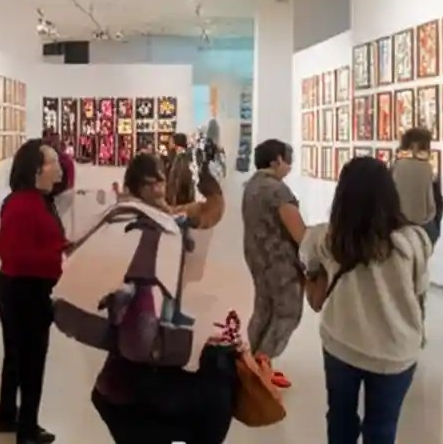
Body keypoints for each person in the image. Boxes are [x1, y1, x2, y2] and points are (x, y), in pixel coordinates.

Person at [90, 153, 234, 443]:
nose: (158, 189)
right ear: (137, 187)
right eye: (150, 184)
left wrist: (212, 190)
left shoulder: (161, 219)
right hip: (133, 383)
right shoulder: (137, 224)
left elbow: (203, 214)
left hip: (135, 375)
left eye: (161, 181)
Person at [303, 157, 431, 444]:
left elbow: (310, 271)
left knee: (340, 417)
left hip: (342, 342)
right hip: (396, 349)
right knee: (382, 427)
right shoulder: (415, 241)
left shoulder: (326, 239)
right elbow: (420, 290)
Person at [0, 139, 66, 444]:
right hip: (24, 290)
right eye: (54, 162)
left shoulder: (37, 200)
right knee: (31, 361)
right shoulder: (25, 205)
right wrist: (60, 262)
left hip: (23, 287)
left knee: (16, 356)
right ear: (37, 169)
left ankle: (8, 416)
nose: (60, 167)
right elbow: (13, 254)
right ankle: (27, 429)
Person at [241, 139, 307, 376]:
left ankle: (250, 362)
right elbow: (298, 231)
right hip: (280, 260)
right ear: (277, 160)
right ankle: (263, 362)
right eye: (288, 160)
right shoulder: (278, 190)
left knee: (264, 307)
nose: (289, 165)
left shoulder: (252, 185)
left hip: (257, 256)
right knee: (288, 312)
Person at [392, 128, 442, 244]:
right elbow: (433, 208)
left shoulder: (396, 168)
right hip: (423, 230)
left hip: (398, 228)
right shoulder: (427, 169)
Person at [43, 128, 75, 199]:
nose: (52, 144)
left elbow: (70, 185)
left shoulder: (66, 161)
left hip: (61, 198)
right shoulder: (39, 159)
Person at [165, 133, 195, 206]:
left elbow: (182, 177)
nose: (169, 143)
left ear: (176, 143)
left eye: (171, 141)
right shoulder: (175, 156)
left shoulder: (182, 158)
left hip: (181, 198)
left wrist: (175, 195)